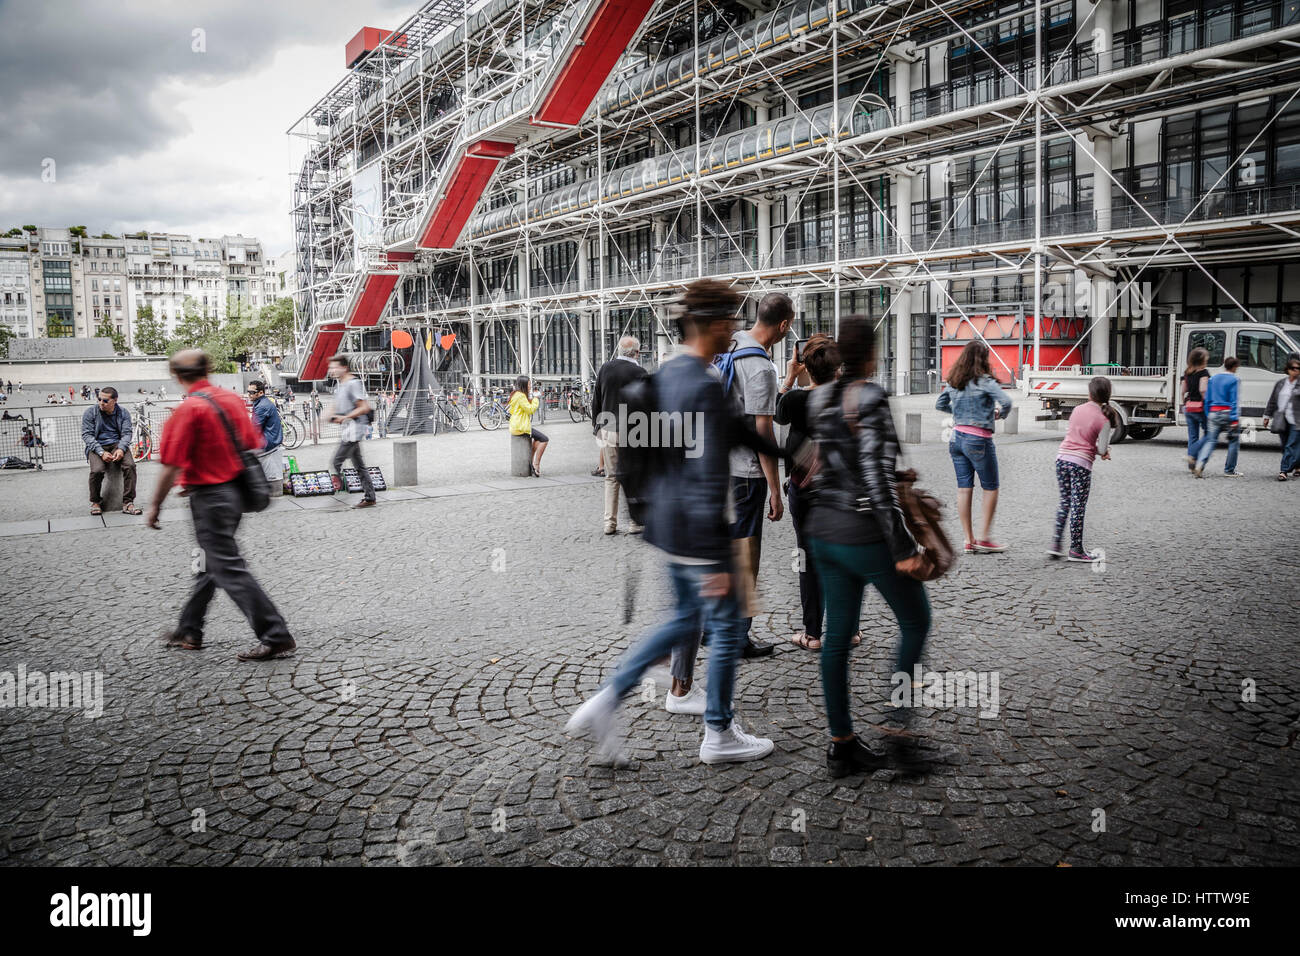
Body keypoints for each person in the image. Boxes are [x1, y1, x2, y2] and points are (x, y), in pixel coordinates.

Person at [565, 279, 776, 765]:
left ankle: (608, 698)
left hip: (666, 524)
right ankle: (718, 732)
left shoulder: (669, 374)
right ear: (715, 324)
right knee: (724, 628)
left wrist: (788, 451)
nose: (735, 329)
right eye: (730, 321)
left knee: (683, 620)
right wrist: (718, 553)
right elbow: (705, 467)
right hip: (700, 530)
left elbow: (729, 434)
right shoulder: (703, 383)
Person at [805, 315, 930, 778]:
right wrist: (903, 546)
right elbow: (875, 481)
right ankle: (897, 729)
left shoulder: (818, 397)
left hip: (824, 531)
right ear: (873, 354)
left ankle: (843, 744)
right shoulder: (872, 398)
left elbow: (814, 463)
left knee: (836, 637)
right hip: (863, 536)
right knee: (916, 621)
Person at [145, 350, 294, 661]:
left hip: (209, 499)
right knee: (209, 563)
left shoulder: (187, 411)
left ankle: (274, 634)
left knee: (227, 567)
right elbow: (250, 443)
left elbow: (171, 466)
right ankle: (189, 629)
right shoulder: (231, 401)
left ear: (177, 376)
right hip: (235, 494)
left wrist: (154, 505)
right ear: (208, 369)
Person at [774, 333, 859, 652]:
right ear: (838, 367)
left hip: (804, 487)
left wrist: (790, 376)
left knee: (807, 557)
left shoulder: (796, 399)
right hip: (841, 487)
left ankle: (813, 633)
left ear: (806, 366)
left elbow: (777, 414)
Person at [723, 292, 793, 659]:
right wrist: (775, 490)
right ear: (783, 325)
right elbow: (763, 433)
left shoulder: (730, 345)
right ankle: (737, 638)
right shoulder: (762, 367)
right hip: (745, 475)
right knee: (745, 557)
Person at [935, 339, 1013, 554]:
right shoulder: (985, 382)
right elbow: (1006, 402)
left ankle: (968, 540)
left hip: (956, 438)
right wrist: (997, 414)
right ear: (983, 358)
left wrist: (959, 415)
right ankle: (984, 538)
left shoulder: (954, 381)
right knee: (991, 487)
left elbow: (939, 404)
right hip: (978, 440)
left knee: (963, 489)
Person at [1048, 376, 1117, 563]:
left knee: (1065, 501)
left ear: (1090, 393)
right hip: (1080, 464)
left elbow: (1074, 436)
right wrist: (1103, 452)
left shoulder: (1077, 410)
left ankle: (1055, 544)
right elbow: (1101, 449)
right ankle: (1076, 549)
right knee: (1078, 505)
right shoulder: (1104, 419)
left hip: (1062, 458)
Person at [591, 336, 648, 534]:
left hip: (607, 428)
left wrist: (596, 427)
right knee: (634, 475)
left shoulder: (605, 368)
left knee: (611, 477)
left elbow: (596, 399)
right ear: (637, 353)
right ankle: (635, 522)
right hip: (633, 430)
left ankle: (609, 523)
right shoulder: (640, 372)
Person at [80, 387, 140, 516]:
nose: (101, 402)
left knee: (130, 466)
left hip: (117, 444)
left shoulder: (123, 413)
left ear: (115, 400)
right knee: (97, 470)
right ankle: (95, 502)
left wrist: (121, 448)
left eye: (105, 400)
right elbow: (87, 435)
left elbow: (127, 433)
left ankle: (128, 502)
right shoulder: (90, 412)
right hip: (97, 446)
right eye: (99, 399)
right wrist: (101, 452)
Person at [327, 355, 377, 508]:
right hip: (349, 429)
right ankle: (370, 497)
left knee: (335, 462)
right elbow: (336, 407)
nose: (332, 370)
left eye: (334, 367)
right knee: (359, 465)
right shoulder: (341, 385)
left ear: (344, 368)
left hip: (354, 430)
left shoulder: (353, 383)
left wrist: (345, 417)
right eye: (331, 367)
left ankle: (338, 487)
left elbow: (364, 407)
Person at [1194, 356, 1243, 478]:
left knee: (1210, 440)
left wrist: (1208, 413)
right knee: (1233, 441)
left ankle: (1200, 464)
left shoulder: (1214, 378)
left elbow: (1207, 398)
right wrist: (1234, 419)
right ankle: (1229, 470)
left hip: (1213, 413)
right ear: (1235, 367)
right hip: (1227, 412)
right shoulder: (1234, 380)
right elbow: (1234, 400)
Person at [1262, 352, 1300, 481]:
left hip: (1297, 420)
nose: (1296, 371)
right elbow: (1272, 400)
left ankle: (1283, 471)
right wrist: (1267, 416)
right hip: (1282, 419)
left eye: (1298, 368)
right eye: (1294, 368)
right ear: (1288, 370)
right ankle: (1297, 466)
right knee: (1285, 445)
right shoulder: (1280, 383)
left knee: (1291, 445)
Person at [247, 380, 285, 497]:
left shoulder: (262, 406)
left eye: (252, 392)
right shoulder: (261, 403)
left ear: (261, 393)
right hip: (271, 440)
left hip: (268, 443)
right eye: (248, 392)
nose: (249, 394)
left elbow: (254, 429)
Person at [508, 376, 549, 477]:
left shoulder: (515, 395)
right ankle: (536, 464)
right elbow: (530, 410)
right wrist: (535, 399)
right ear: (524, 385)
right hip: (521, 426)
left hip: (516, 425)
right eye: (529, 384)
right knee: (544, 439)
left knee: (538, 439)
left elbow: (518, 408)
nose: (530, 386)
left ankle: (531, 462)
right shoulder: (521, 396)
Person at [1180, 347, 1211, 470]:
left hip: (1189, 406)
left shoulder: (1187, 372)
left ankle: (1191, 464)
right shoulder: (1203, 372)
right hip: (1200, 407)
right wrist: (1207, 403)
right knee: (1209, 434)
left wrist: (1184, 404)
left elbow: (1183, 391)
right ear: (1202, 360)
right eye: (1206, 358)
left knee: (1193, 436)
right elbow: (1203, 389)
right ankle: (1193, 456)